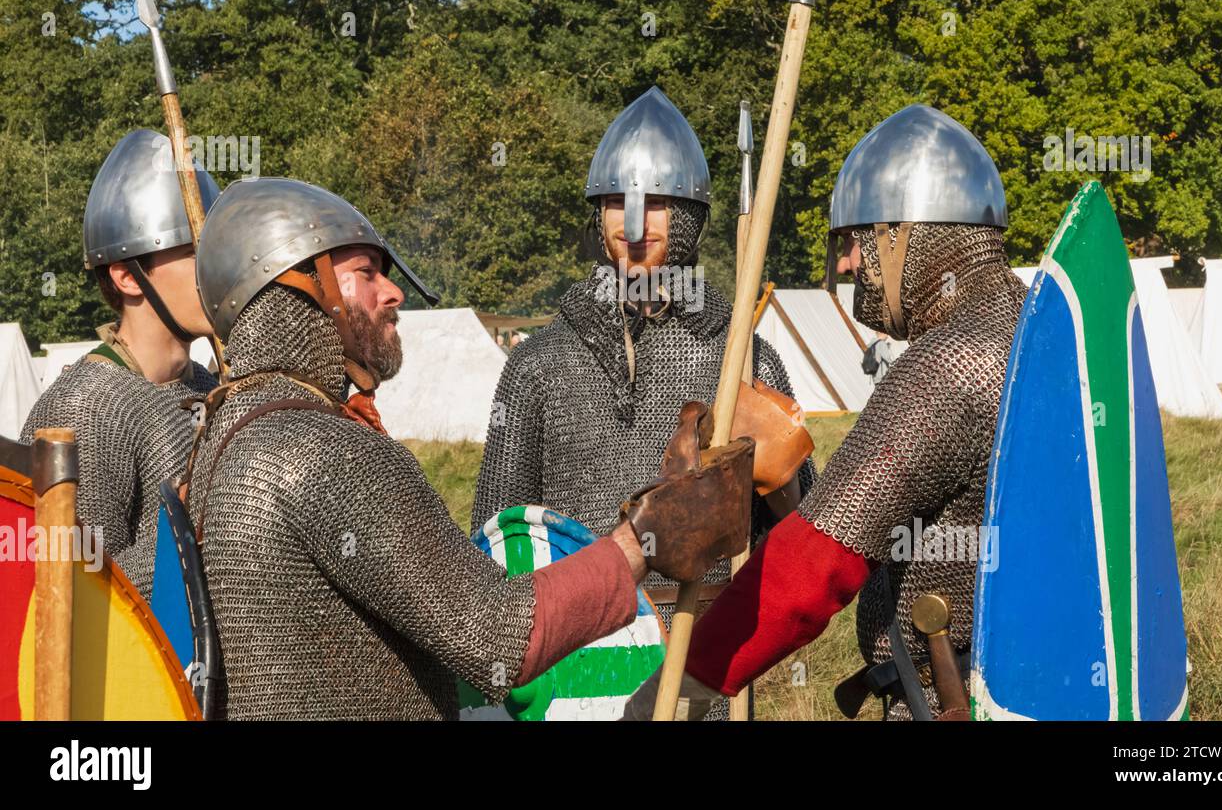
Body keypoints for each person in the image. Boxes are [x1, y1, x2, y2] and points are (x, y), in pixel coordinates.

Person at [185, 177, 728, 719]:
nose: (392, 293)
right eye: (366, 274)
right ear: (298, 288)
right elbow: (498, 634)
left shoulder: (217, 438)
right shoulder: (329, 452)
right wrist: (642, 542)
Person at [625, 104, 1027, 720]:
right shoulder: (1039, 336)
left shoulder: (949, 364)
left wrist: (688, 677)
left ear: (902, 236)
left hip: (963, 699)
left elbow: (813, 564)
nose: (845, 264)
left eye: (855, 241)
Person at [471, 88, 814, 719]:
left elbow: (803, 535)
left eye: (655, 204)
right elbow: (500, 540)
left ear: (688, 216)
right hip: (576, 650)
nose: (634, 226)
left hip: (701, 646)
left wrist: (776, 475)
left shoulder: (740, 357)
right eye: (617, 205)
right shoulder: (539, 363)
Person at [22, 130, 220, 599]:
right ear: (128, 277)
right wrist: (199, 540)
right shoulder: (87, 408)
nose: (215, 269)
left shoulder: (212, 387)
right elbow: (71, 589)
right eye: (194, 253)